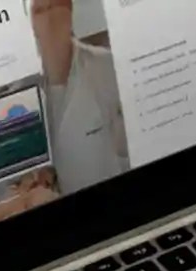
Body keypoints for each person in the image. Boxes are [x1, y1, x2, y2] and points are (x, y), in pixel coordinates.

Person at [31, 0, 130, 194]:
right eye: (40, 11)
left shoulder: (109, 65)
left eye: (55, 6)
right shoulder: (22, 90)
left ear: (70, 11)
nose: (49, 18)